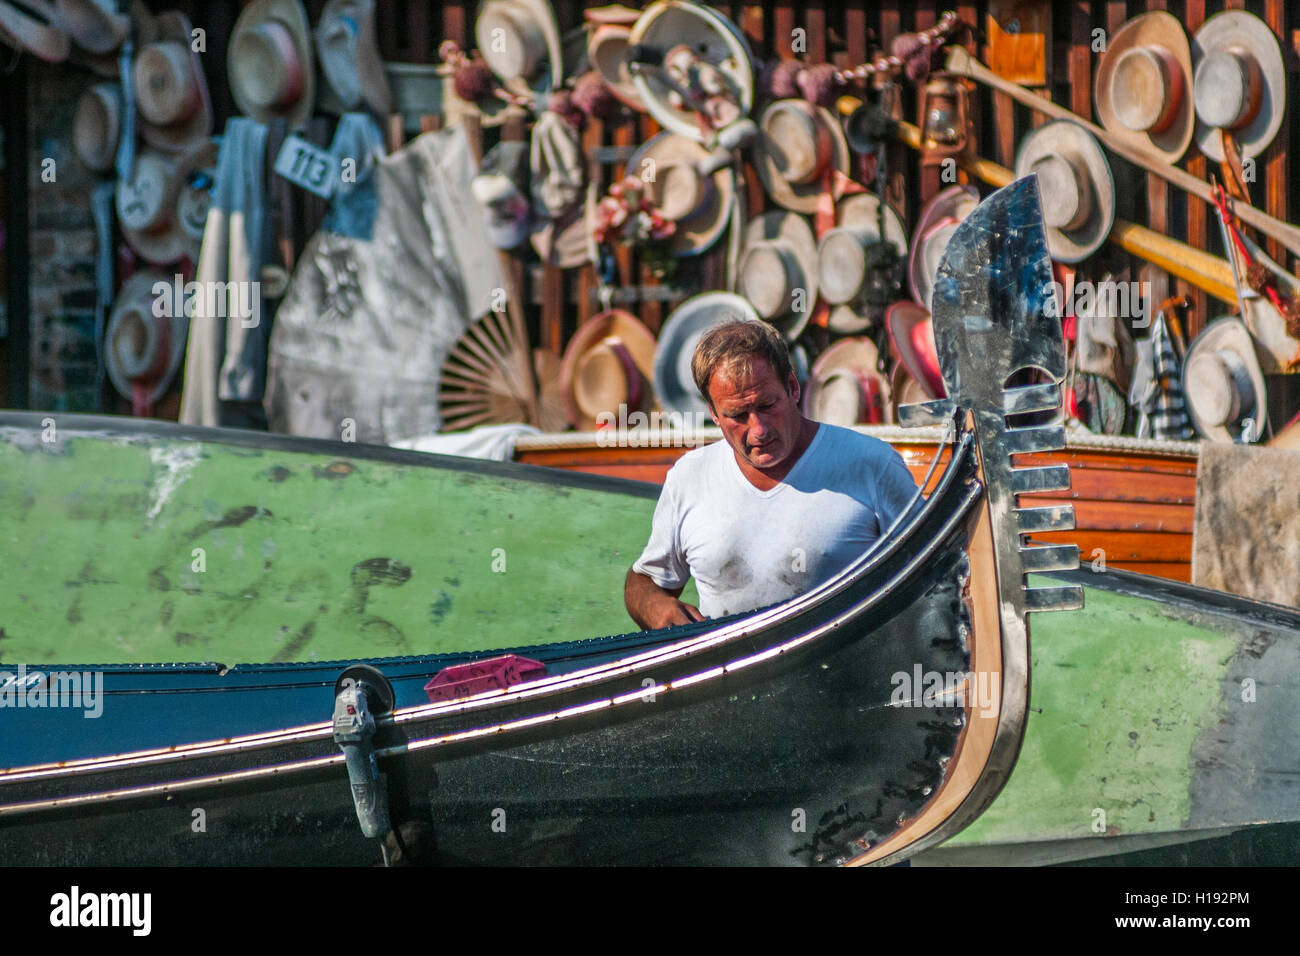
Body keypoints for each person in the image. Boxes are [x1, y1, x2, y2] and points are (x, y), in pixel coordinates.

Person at [624, 318, 919, 630]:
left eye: (767, 405)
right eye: (737, 415)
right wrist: (654, 605)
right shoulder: (689, 478)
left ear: (792, 387)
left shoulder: (873, 465)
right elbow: (645, 581)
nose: (759, 430)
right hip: (733, 675)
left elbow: (935, 567)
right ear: (713, 413)